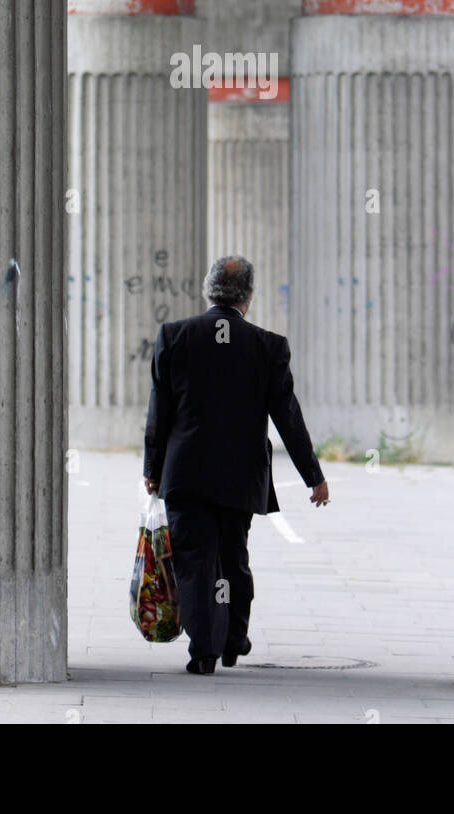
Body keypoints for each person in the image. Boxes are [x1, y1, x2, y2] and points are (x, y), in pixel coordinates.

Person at [142, 254, 329, 675]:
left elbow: (160, 413)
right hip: (240, 476)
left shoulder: (174, 336)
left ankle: (204, 649)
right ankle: (232, 638)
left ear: (209, 291)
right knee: (231, 559)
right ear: (248, 296)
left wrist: (152, 468)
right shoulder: (268, 346)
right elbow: (288, 417)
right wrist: (313, 477)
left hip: (186, 473)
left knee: (195, 561)